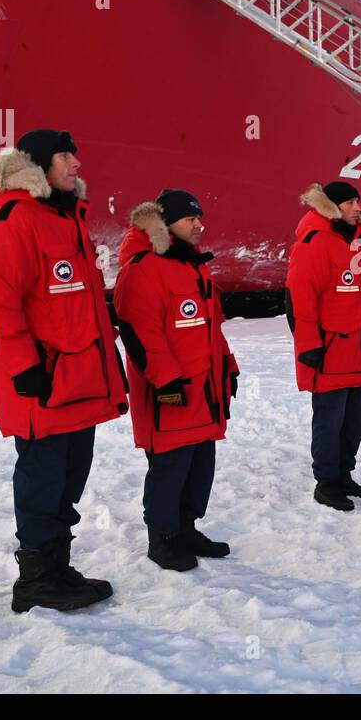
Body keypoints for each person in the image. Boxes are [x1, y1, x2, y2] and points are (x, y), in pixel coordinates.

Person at [0, 129, 128, 613]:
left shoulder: (64, 216)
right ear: (37, 165)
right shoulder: (18, 220)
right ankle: (36, 579)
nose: (76, 162)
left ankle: (57, 567)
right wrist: (22, 369)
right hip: (43, 384)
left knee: (69, 479)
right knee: (42, 481)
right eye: (65, 155)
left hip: (77, 381)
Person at [114, 191, 237, 572]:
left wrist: (228, 366)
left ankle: (186, 527)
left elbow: (210, 329)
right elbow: (139, 331)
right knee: (170, 466)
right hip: (173, 393)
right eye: (190, 219)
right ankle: (163, 538)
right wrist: (166, 382)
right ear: (165, 224)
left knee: (200, 464)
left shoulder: (192, 266)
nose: (199, 225)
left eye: (200, 218)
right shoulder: (145, 268)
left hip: (204, 388)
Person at [286, 181, 361, 511]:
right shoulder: (314, 243)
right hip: (330, 352)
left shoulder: (355, 243)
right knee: (329, 421)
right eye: (351, 202)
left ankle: (344, 474)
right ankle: (326, 483)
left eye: (358, 201)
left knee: (354, 420)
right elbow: (300, 298)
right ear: (333, 206)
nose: (357, 207)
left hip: (358, 350)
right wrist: (309, 345)